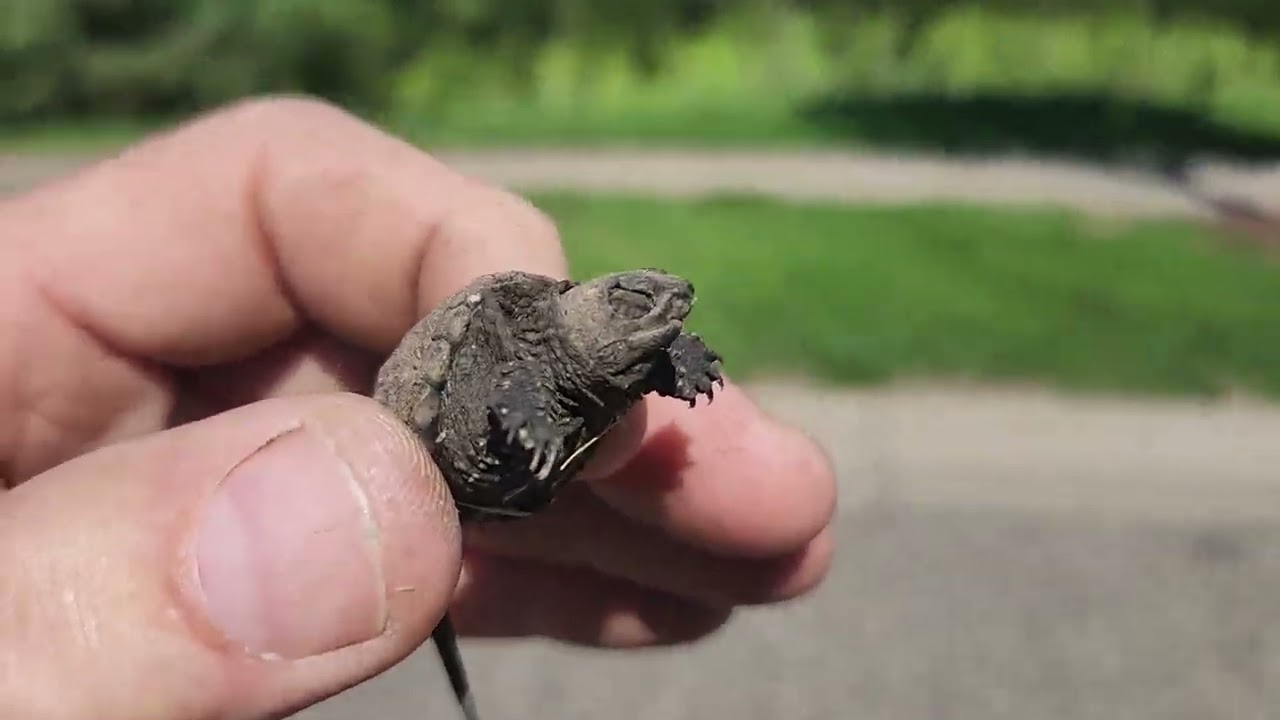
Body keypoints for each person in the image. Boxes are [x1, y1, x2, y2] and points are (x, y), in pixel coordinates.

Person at [0, 97, 836, 719]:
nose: (663, 302)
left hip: (510, 488)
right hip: (429, 451)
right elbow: (513, 393)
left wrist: (671, 362)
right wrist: (531, 424)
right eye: (633, 296)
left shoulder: (604, 350)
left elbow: (646, 358)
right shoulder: (517, 333)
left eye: (664, 302)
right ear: (583, 304)